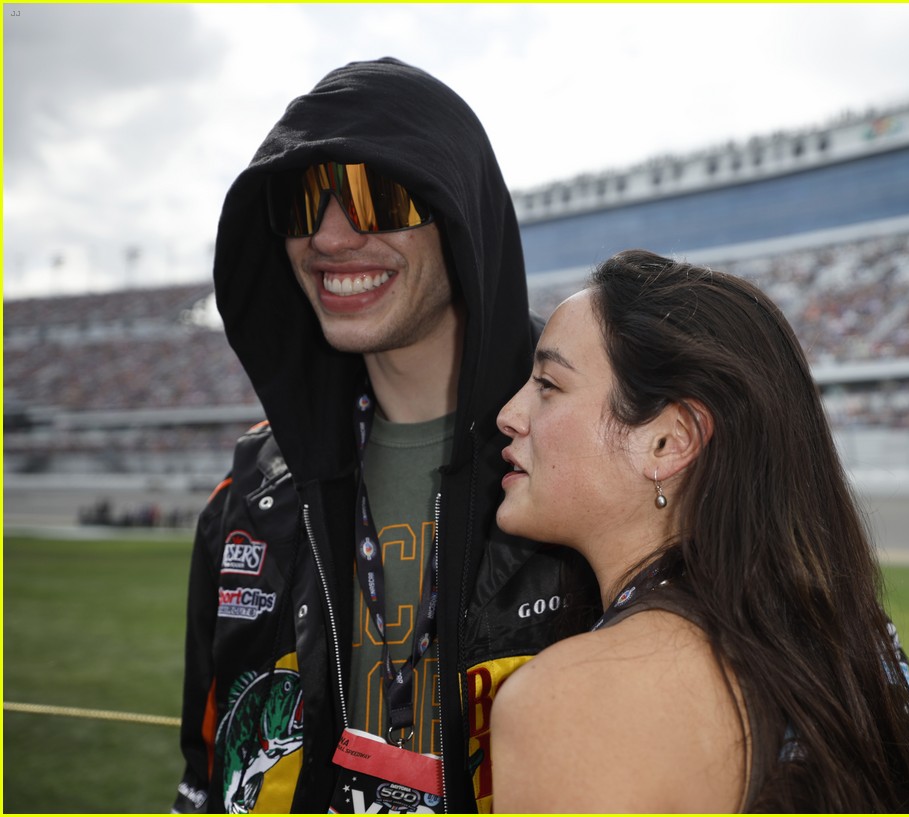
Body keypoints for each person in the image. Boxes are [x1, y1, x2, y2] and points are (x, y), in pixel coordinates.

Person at [173, 58, 597, 814]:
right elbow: (205, 773)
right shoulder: (250, 494)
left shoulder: (605, 457)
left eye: (378, 196)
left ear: (458, 213)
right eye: (304, 202)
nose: (332, 237)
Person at [491, 249, 909, 812]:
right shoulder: (844, 631)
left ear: (669, 441)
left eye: (548, 383)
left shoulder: (574, 696)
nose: (510, 413)